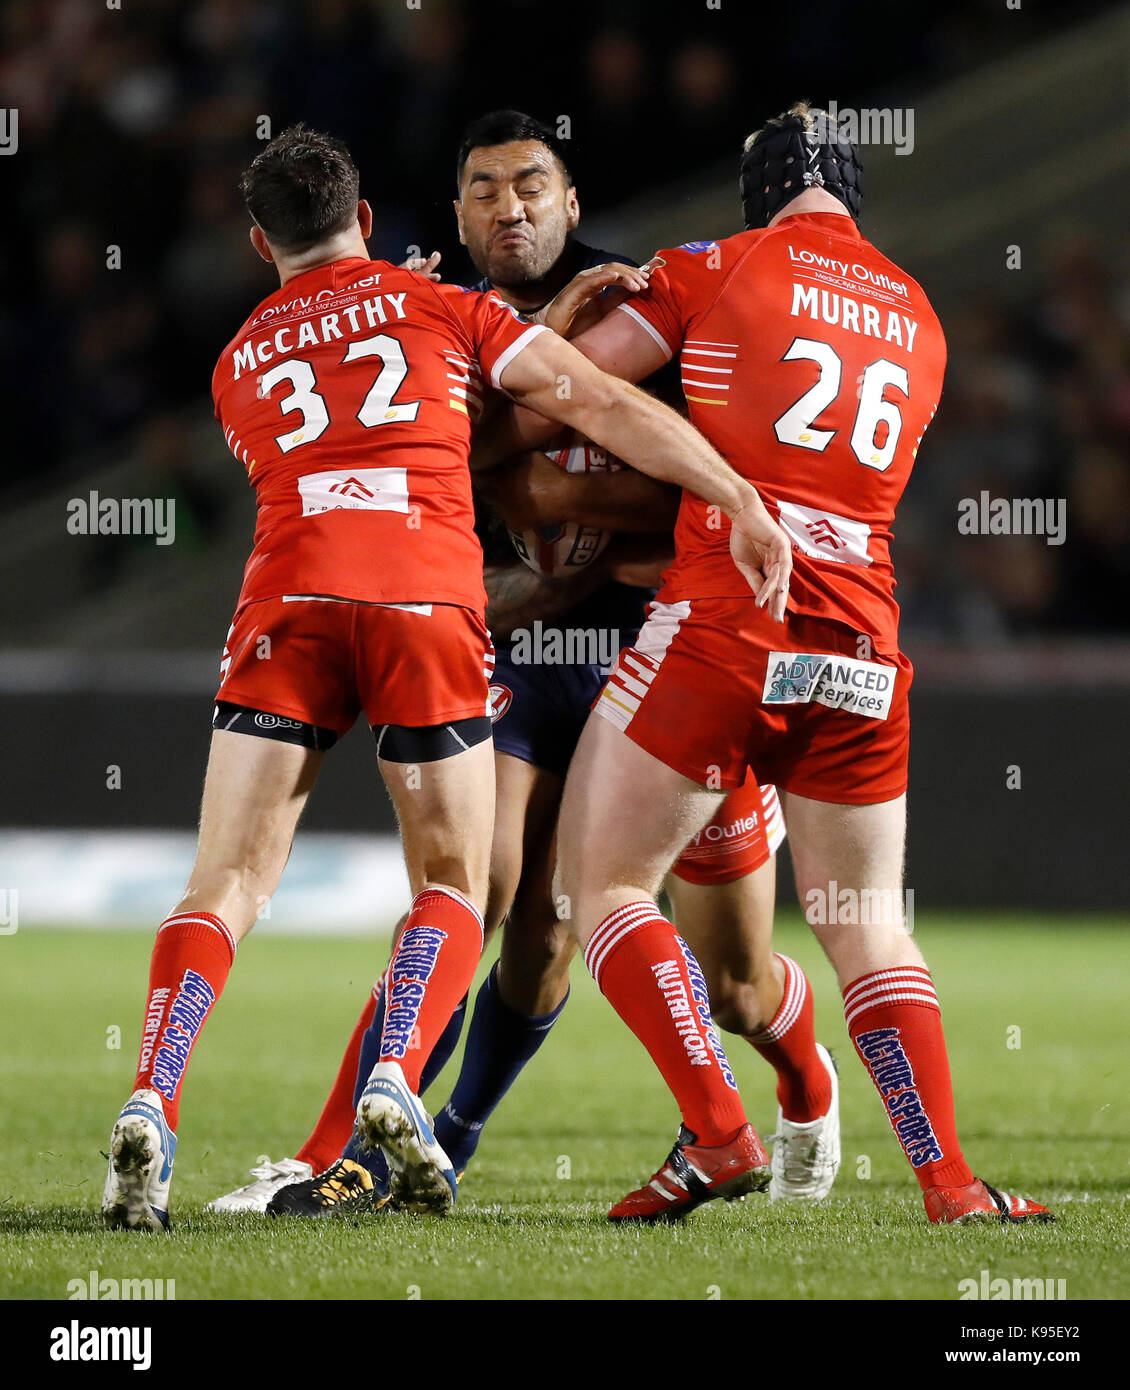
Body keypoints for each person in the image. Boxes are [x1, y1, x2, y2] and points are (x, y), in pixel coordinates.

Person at [101, 122, 790, 1230]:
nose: (507, 206)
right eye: (482, 189)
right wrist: (737, 501)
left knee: (226, 880)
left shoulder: (236, 363)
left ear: (255, 239)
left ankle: (153, 1095)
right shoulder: (446, 309)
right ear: (375, 218)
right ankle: (386, 1103)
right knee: (466, 887)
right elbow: (598, 408)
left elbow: (358, 444)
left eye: (529, 185)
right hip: (439, 606)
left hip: (295, 602)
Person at [489, 102, 1053, 1225]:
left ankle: (716, 1130)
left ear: (760, 189)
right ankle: (948, 1184)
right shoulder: (920, 317)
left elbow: (555, 386)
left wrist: (541, 378)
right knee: (868, 927)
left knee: (599, 886)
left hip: (725, 624)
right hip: (860, 641)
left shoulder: (717, 266)